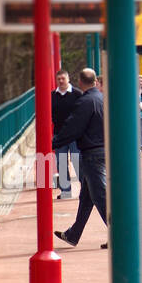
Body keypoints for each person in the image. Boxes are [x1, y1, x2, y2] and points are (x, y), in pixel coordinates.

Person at [52, 69, 109, 249]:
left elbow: (73, 127)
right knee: (87, 197)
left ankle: (120, 234)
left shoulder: (85, 101)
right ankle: (73, 234)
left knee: (100, 195)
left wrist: (55, 142)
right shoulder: (100, 99)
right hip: (102, 150)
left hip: (92, 154)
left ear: (79, 81)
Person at [51, 69, 81, 200]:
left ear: (68, 79)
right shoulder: (52, 96)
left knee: (78, 161)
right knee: (61, 162)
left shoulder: (77, 94)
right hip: (59, 134)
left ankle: (85, 190)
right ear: (56, 80)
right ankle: (65, 191)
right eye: (59, 79)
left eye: (63, 78)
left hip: (75, 135)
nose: (61, 81)